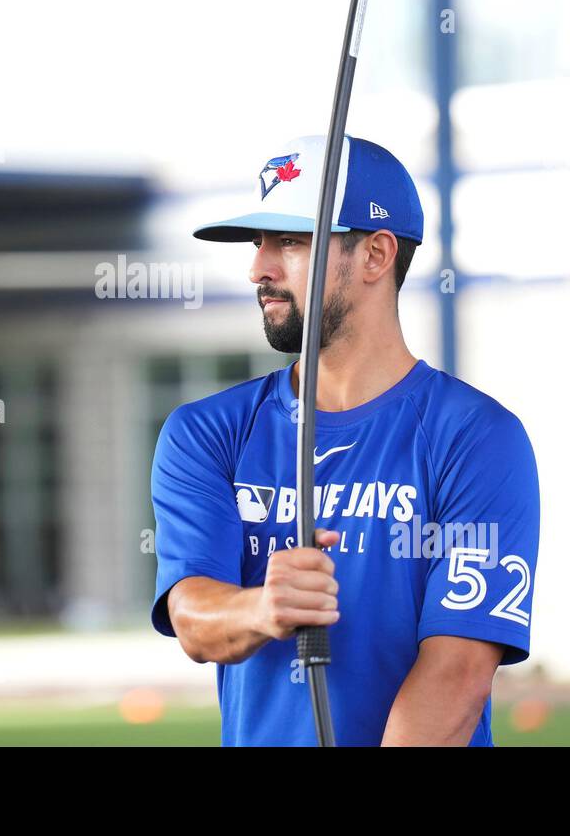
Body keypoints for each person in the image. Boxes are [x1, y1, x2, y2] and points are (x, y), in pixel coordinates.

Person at [149, 134, 540, 746]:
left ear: (376, 256)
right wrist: (264, 607)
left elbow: (458, 673)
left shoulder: (477, 438)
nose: (259, 269)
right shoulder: (206, 433)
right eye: (259, 243)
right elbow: (194, 619)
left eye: (292, 242)